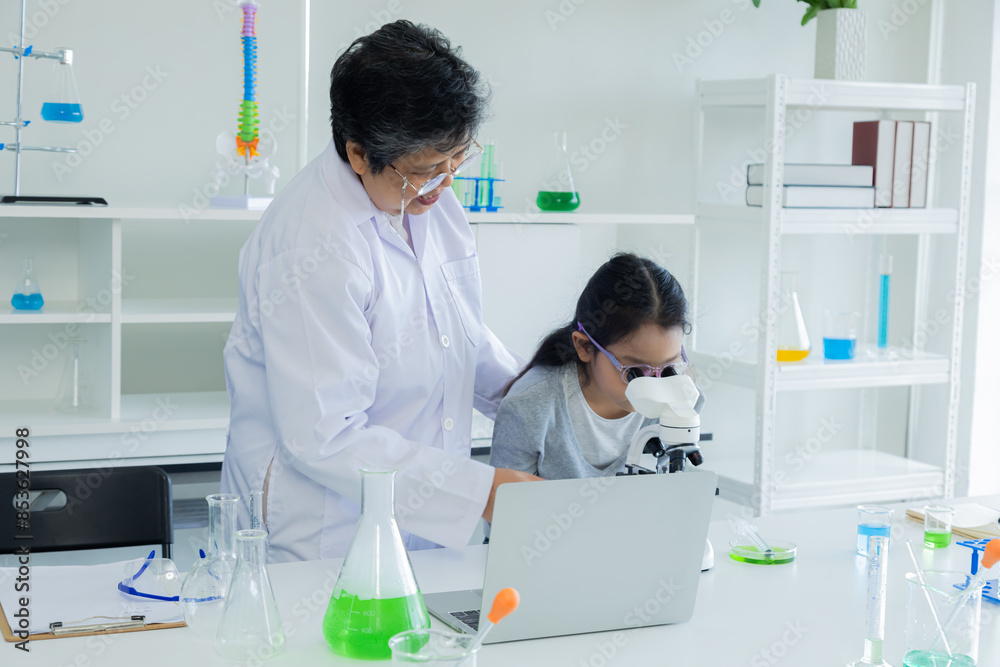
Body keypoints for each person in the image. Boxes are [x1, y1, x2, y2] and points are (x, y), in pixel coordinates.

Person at [221, 20, 538, 563]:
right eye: (425, 171)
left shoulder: (429, 200)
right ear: (359, 154)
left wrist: (544, 394)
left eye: (456, 160)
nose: (444, 185)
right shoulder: (311, 248)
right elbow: (327, 435)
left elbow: (455, 332)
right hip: (323, 532)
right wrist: (484, 493)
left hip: (424, 529)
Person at [489, 253, 703, 479]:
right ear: (584, 347)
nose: (655, 385)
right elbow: (504, 507)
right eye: (635, 373)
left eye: (668, 369)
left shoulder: (681, 398)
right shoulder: (530, 406)